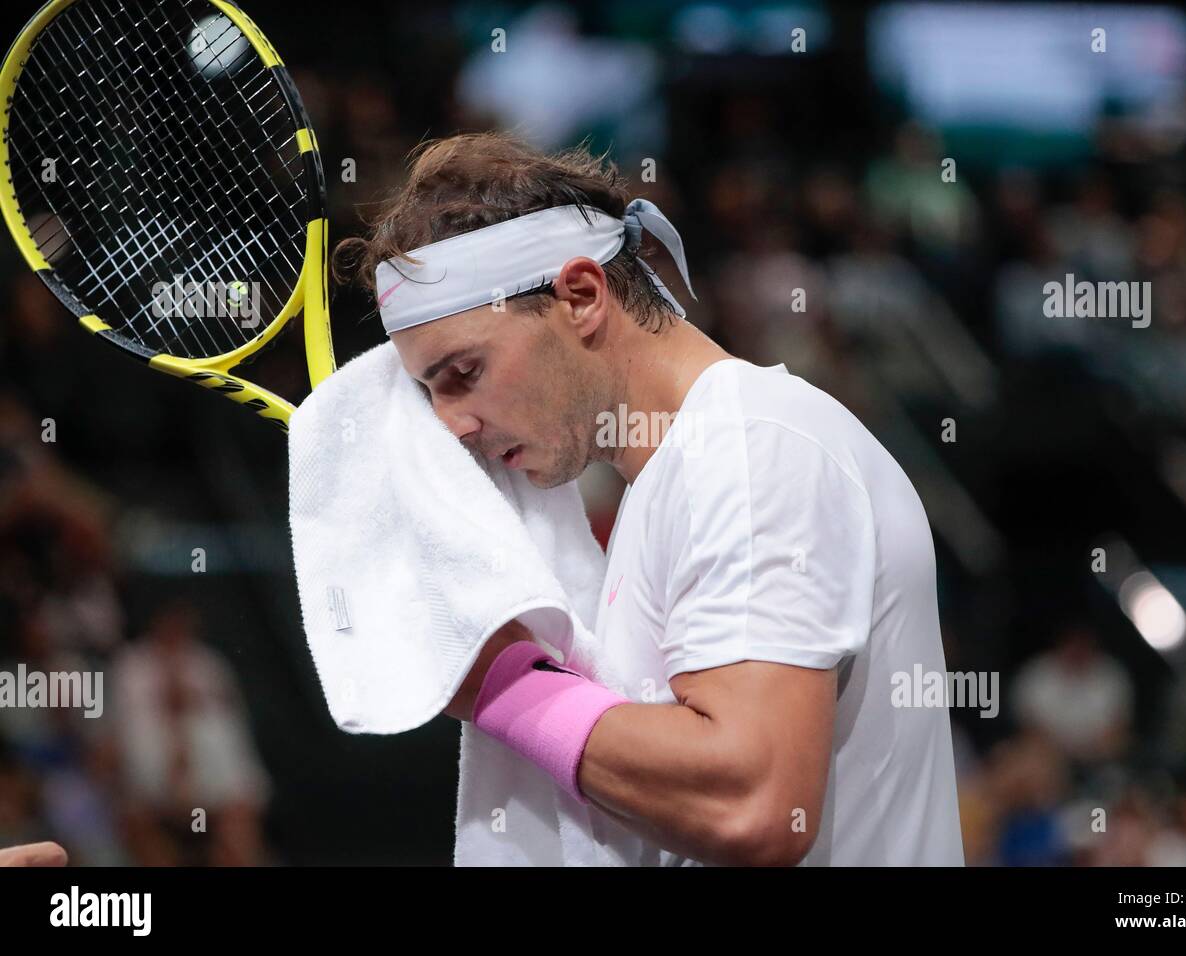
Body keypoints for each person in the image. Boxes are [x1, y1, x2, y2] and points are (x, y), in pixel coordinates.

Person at [336, 132, 963, 866]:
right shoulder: (681, 474)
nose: (452, 425)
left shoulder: (751, 449)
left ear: (579, 296)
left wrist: (502, 687)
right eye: (429, 391)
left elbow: (756, 806)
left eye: (464, 372)